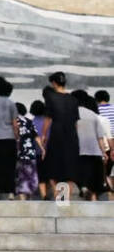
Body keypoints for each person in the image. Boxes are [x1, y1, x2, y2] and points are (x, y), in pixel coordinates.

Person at [40, 72, 80, 200]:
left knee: (53, 166)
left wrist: (44, 134)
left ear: (54, 83)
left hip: (57, 134)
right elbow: (76, 121)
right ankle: (65, 197)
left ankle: (58, 196)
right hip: (71, 136)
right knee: (69, 168)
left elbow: (48, 118)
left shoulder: (51, 97)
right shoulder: (73, 99)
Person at [74, 90, 110, 200]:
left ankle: (83, 188)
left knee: (77, 175)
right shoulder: (93, 115)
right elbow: (100, 137)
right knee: (94, 182)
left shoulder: (71, 114)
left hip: (77, 151)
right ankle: (91, 196)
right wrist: (103, 153)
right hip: (94, 152)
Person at [16, 102, 42, 200]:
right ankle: (29, 197)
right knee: (31, 176)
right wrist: (42, 148)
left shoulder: (13, 122)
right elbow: (36, 136)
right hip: (31, 153)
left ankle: (23, 198)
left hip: (19, 153)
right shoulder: (29, 121)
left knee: (22, 176)